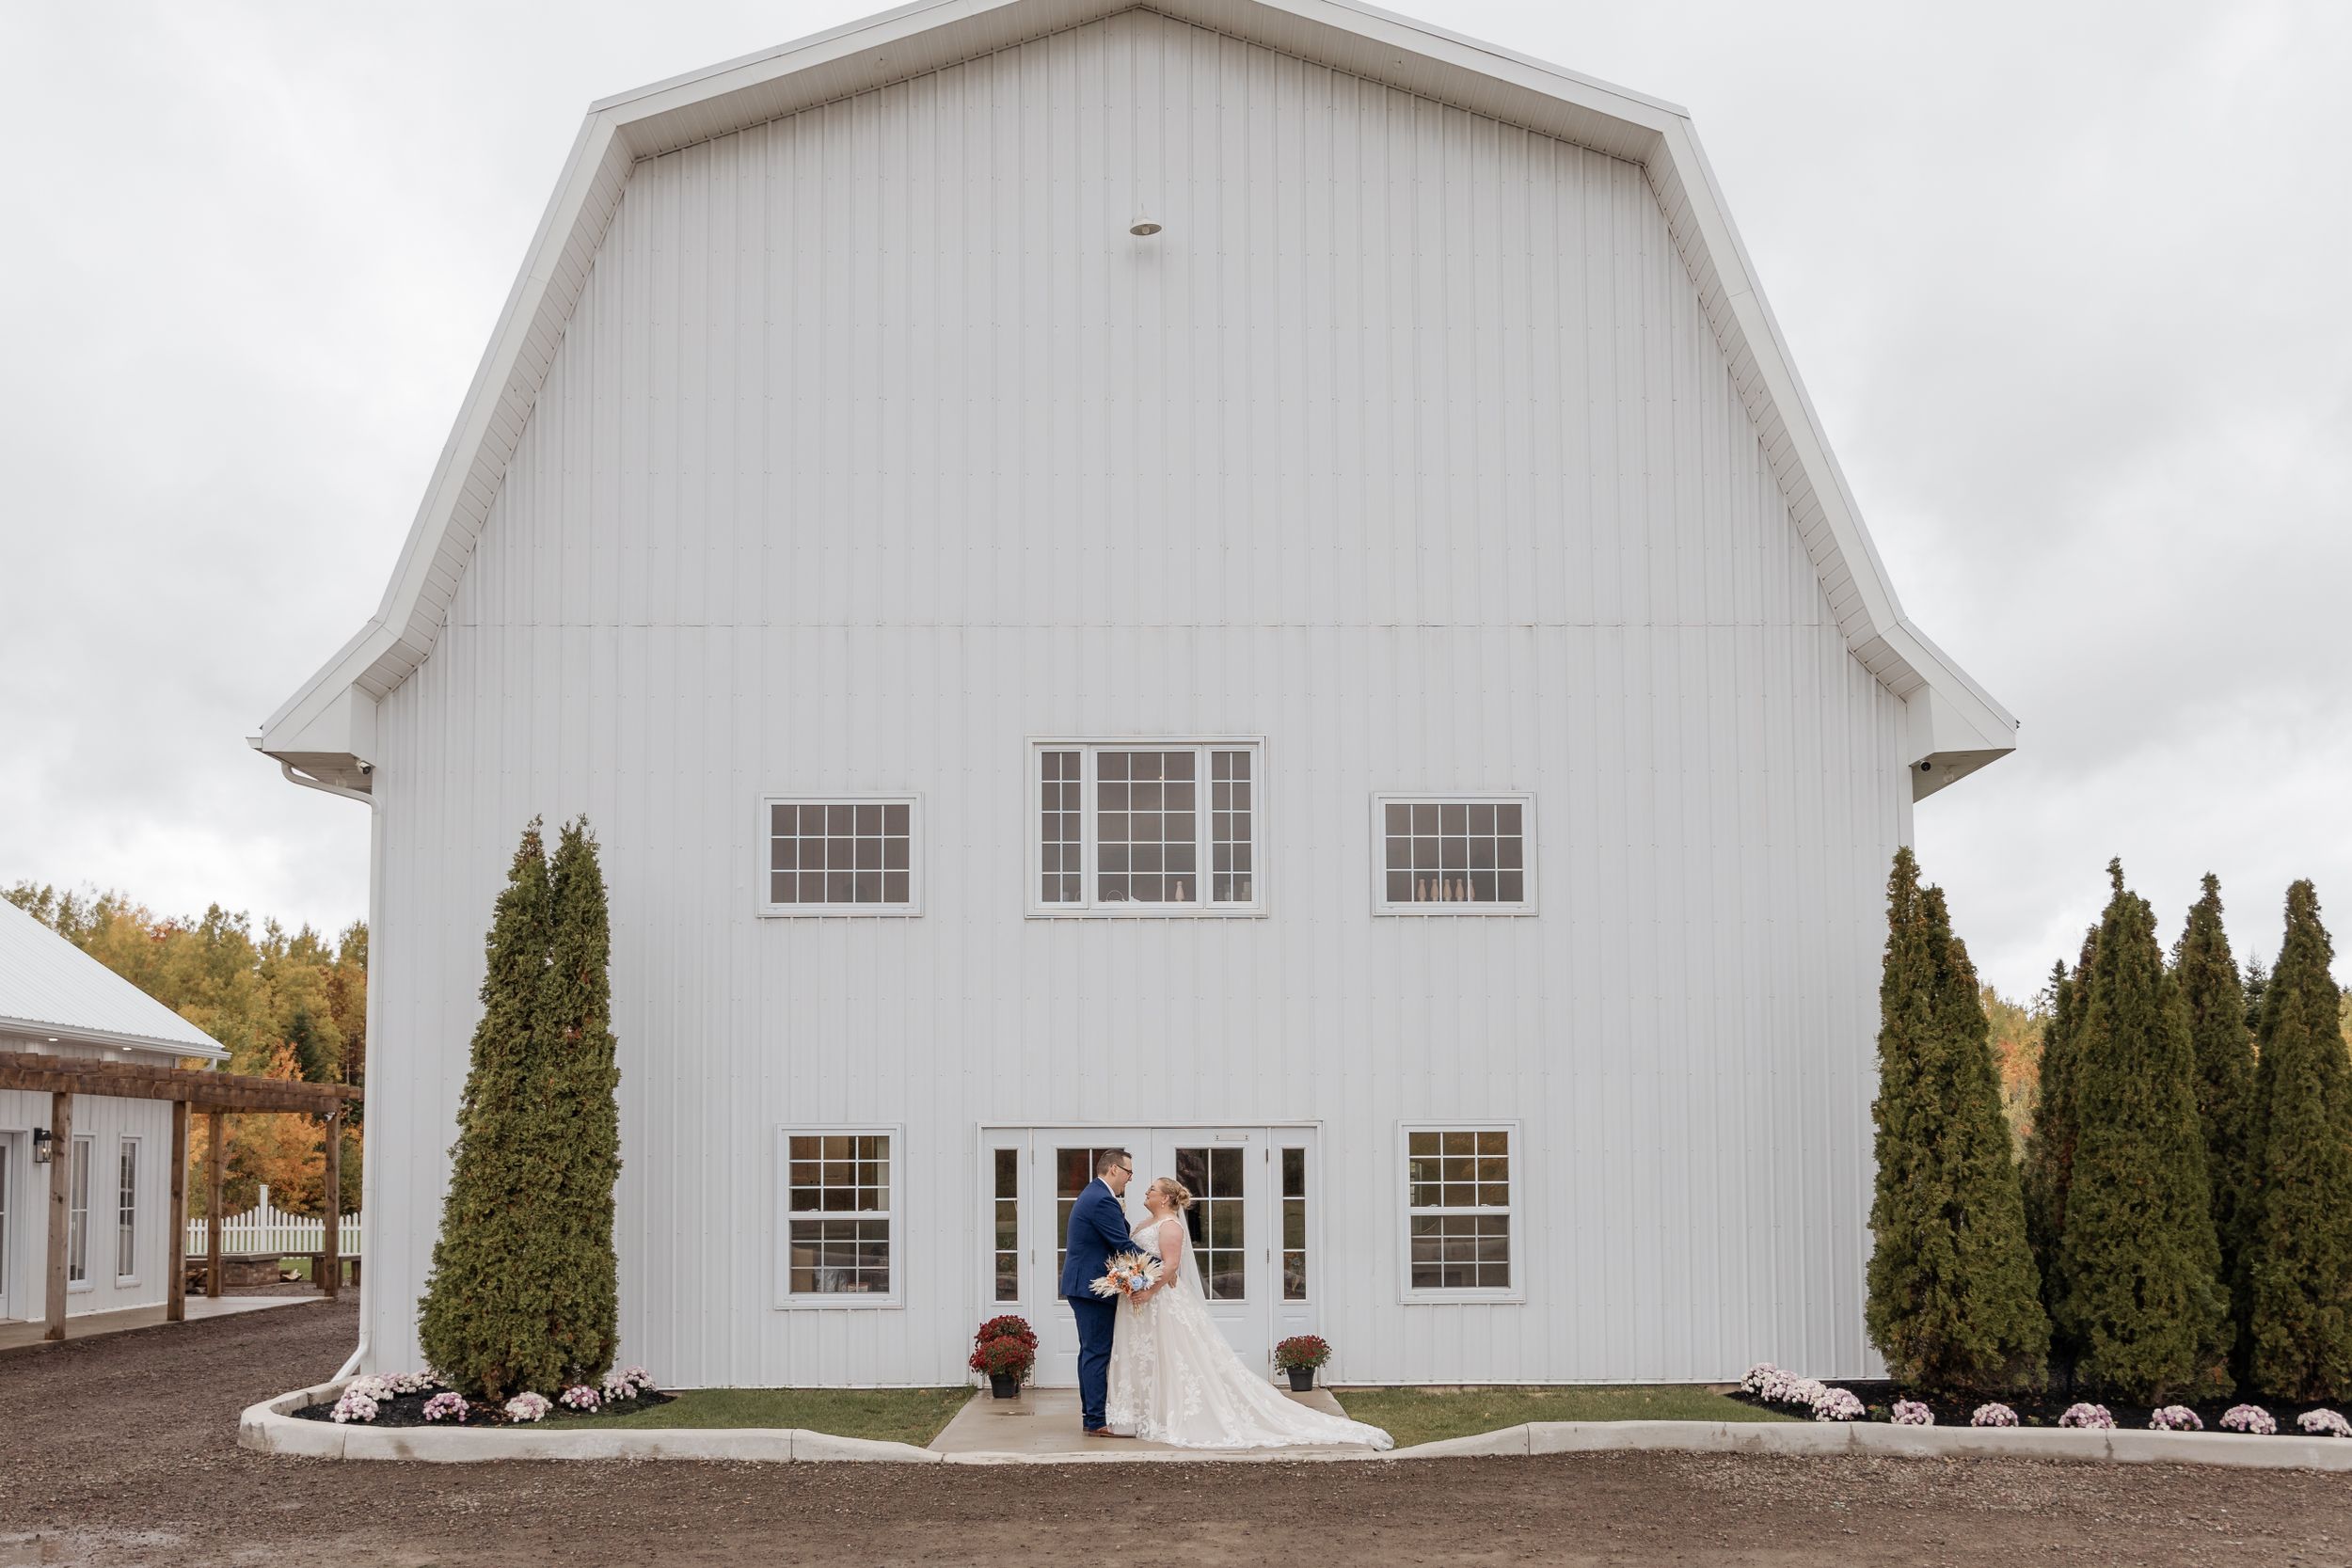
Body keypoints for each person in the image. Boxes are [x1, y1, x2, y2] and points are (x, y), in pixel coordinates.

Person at [1105, 1177, 1393, 1450]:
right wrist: (1128, 1280)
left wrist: (1148, 1291)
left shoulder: (1170, 1226)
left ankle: (1175, 1414)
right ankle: (1147, 1414)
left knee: (1175, 1356)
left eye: (1152, 1189)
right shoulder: (1145, 1223)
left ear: (1166, 1197)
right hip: (1140, 1302)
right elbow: (1135, 1258)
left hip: (1160, 1302)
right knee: (1150, 1356)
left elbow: (1170, 1267)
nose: (1147, 1192)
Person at [1057, 1148, 1136, 1437]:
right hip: (1092, 1288)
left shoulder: (1095, 1195)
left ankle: (1091, 1416)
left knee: (1090, 1352)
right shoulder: (1102, 1199)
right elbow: (1122, 1244)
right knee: (1096, 1353)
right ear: (1114, 1169)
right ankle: (1095, 1421)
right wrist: (1160, 1266)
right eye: (1129, 1173)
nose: (1130, 1179)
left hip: (1085, 1285)